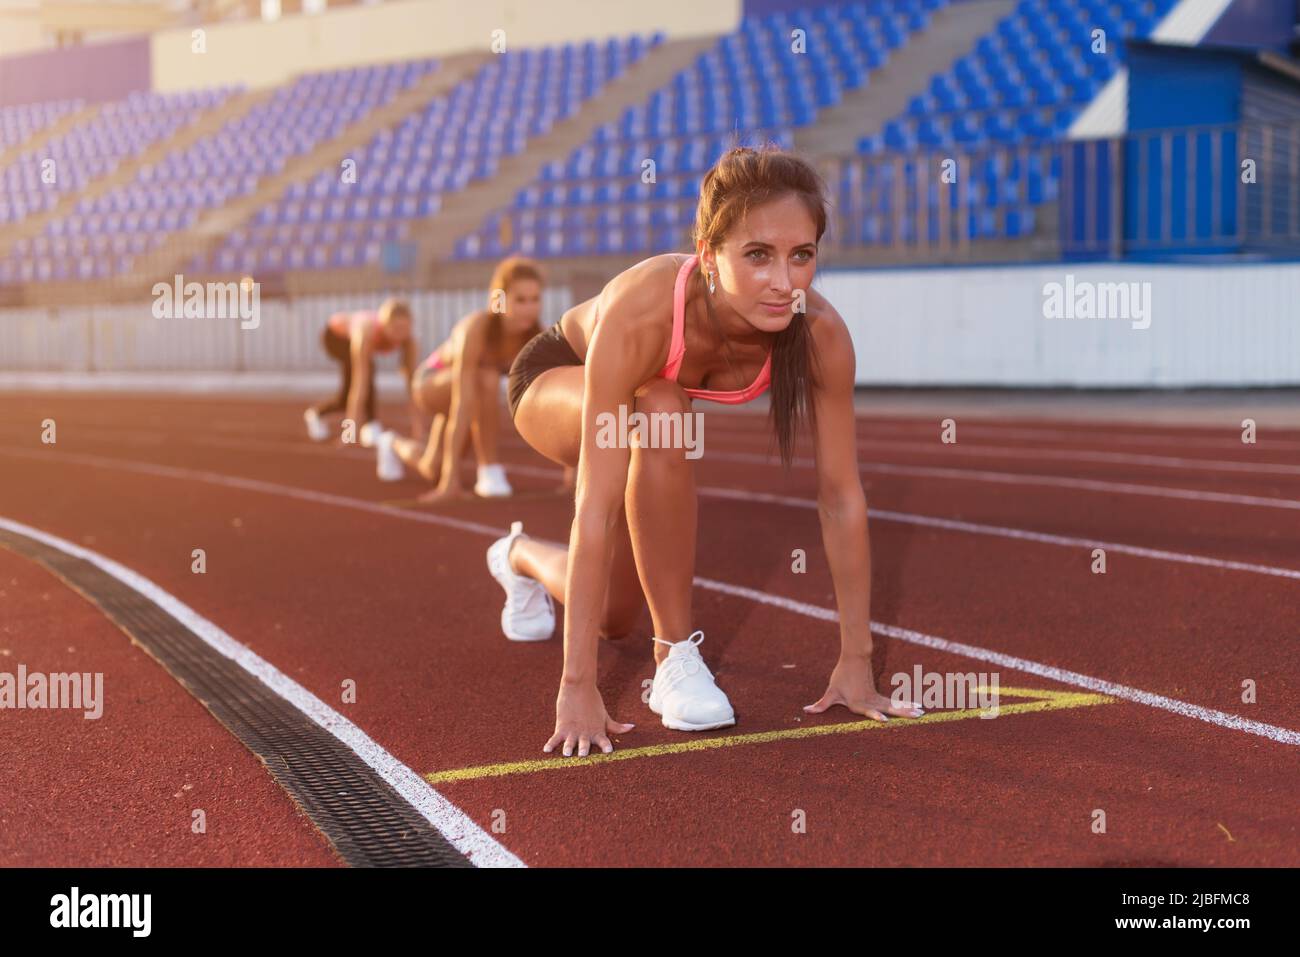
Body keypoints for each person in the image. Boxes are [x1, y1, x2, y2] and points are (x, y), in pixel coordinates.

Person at [485, 145, 925, 758]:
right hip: (558, 378)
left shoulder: (821, 331)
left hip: (644, 416)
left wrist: (857, 661)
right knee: (663, 408)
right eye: (757, 255)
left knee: (614, 617)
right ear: (708, 256)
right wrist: (577, 685)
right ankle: (675, 659)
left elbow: (841, 498)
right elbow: (597, 507)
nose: (784, 281)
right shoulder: (642, 310)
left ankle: (519, 557)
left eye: (802, 255)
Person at [373, 256, 560, 500]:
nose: (529, 308)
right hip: (432, 384)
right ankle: (489, 471)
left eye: (535, 300)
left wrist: (571, 470)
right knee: (486, 379)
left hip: (470, 393)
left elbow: (554, 394)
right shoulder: (476, 328)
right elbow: (462, 402)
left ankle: (391, 443)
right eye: (520, 300)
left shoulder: (535, 335)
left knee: (432, 467)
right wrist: (451, 483)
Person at [304, 298, 416, 445]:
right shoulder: (366, 332)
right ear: (385, 326)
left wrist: (418, 431)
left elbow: (412, 387)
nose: (400, 335)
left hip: (352, 336)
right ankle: (370, 425)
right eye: (396, 329)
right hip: (334, 337)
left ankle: (320, 414)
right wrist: (349, 435)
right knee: (364, 377)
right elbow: (360, 384)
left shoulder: (410, 341)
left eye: (405, 329)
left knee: (350, 393)